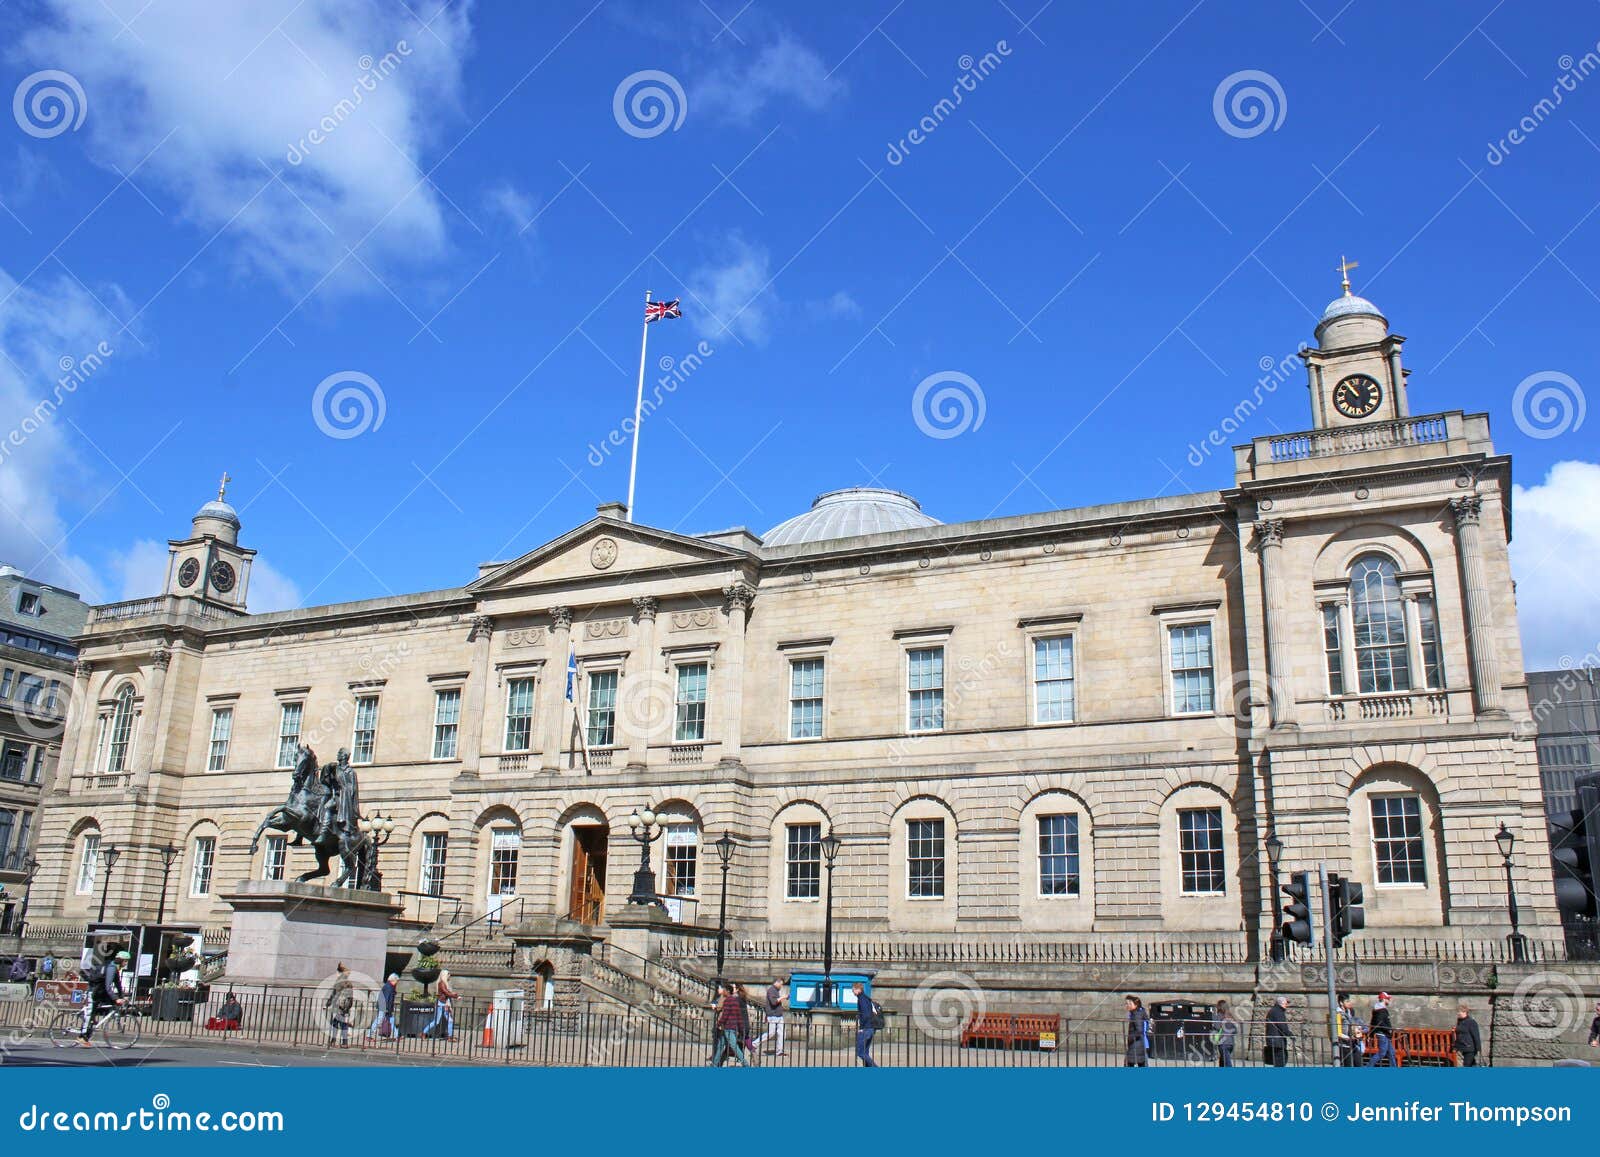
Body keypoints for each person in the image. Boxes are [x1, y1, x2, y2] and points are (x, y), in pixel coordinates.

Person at [78, 949, 129, 1046]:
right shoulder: (111, 968)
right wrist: (116, 998)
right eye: (125, 961)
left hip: (100, 992)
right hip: (93, 991)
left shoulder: (115, 968)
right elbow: (108, 986)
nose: (126, 963)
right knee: (90, 1014)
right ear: (121, 960)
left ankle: (91, 1025)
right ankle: (82, 1036)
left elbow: (118, 984)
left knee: (106, 1007)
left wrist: (122, 996)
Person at [710, 982, 748, 1067]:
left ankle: (745, 1064)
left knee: (734, 1047)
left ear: (727, 991)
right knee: (720, 1046)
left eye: (724, 990)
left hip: (728, 1027)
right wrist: (741, 1028)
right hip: (732, 1027)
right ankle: (714, 1064)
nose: (723, 992)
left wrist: (718, 1024)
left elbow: (725, 1015)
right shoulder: (735, 1000)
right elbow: (739, 1015)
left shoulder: (727, 1000)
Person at [750, 976, 786, 1058]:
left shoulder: (776, 990)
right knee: (771, 1033)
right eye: (781, 984)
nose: (781, 986)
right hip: (773, 1015)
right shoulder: (771, 990)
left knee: (782, 1033)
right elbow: (773, 1002)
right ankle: (754, 1044)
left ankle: (779, 1051)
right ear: (777, 982)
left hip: (778, 1015)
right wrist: (783, 997)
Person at [422, 969, 457, 1040]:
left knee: (450, 1020)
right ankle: (423, 1032)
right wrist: (454, 996)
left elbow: (447, 993)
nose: (449, 976)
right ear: (445, 975)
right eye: (448, 974)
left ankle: (450, 1036)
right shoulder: (441, 983)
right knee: (436, 1021)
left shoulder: (445, 983)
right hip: (441, 1004)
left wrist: (454, 996)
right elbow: (446, 993)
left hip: (445, 1004)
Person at [326, 963, 355, 1047]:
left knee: (337, 1023)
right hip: (345, 1006)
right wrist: (348, 1007)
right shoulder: (348, 982)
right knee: (341, 1023)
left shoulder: (339, 981)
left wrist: (329, 1002)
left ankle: (336, 1041)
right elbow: (350, 996)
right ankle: (342, 1042)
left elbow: (334, 993)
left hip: (338, 1005)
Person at [1365, 992, 1397, 1067]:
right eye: (1388, 999)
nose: (1389, 1000)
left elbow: (1373, 1021)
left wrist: (1371, 1034)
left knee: (1391, 1052)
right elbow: (1379, 1022)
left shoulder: (1379, 1009)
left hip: (1385, 1034)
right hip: (1382, 1034)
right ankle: (1368, 1067)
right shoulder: (1381, 1009)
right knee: (1382, 1053)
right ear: (1383, 999)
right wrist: (1388, 1029)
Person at [1334, 992, 1365, 1067]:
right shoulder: (1338, 1014)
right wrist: (1348, 1038)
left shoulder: (1349, 1012)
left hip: (1353, 1043)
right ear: (1341, 1003)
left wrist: (1358, 1030)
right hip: (1344, 1045)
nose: (1349, 1003)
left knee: (1359, 1063)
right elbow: (1337, 1032)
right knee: (1348, 1065)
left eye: (1349, 1001)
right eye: (1347, 1001)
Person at [853, 982, 879, 1067]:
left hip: (866, 1028)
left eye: (853, 990)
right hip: (870, 1028)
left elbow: (865, 1015)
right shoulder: (866, 998)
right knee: (865, 1052)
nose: (853, 992)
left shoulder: (861, 999)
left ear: (858, 989)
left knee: (860, 1052)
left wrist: (861, 1028)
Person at [366, 973, 398, 1042]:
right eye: (396, 981)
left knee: (391, 1020)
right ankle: (369, 1035)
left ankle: (397, 1035)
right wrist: (386, 1008)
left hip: (386, 1007)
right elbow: (386, 998)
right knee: (379, 1020)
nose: (397, 983)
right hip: (384, 1007)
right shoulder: (388, 987)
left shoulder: (390, 986)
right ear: (393, 980)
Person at [1265, 996, 1293, 1067]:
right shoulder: (1278, 1011)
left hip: (1274, 1040)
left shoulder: (1274, 1010)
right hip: (1277, 1041)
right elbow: (1282, 1025)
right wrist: (1290, 1034)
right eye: (1286, 1003)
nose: (1287, 1005)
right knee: (1280, 1061)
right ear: (1281, 1003)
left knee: (1279, 1060)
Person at [1124, 995, 1150, 1067]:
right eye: (1126, 1003)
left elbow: (1139, 1030)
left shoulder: (1136, 1015)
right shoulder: (1137, 1013)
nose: (1127, 1005)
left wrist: (1130, 1038)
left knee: (1128, 1064)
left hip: (1136, 1045)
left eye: (1129, 1004)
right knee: (1141, 1063)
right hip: (1138, 1044)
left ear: (1136, 1005)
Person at [1211, 998, 1236, 1067]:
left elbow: (1217, 1027)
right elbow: (1235, 1031)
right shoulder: (1230, 1016)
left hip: (1223, 1043)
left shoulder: (1219, 1015)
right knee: (1222, 1062)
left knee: (1227, 1064)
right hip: (1231, 1043)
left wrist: (1213, 1014)